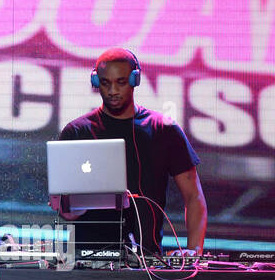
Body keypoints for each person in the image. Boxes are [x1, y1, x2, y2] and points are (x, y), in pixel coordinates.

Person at [56, 48, 207, 255]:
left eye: (121, 82)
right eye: (105, 83)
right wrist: (75, 207)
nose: (112, 91)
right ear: (96, 81)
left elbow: (194, 196)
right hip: (89, 263)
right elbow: (66, 211)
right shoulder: (77, 131)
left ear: (136, 79)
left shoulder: (164, 130)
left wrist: (194, 251)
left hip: (147, 262)